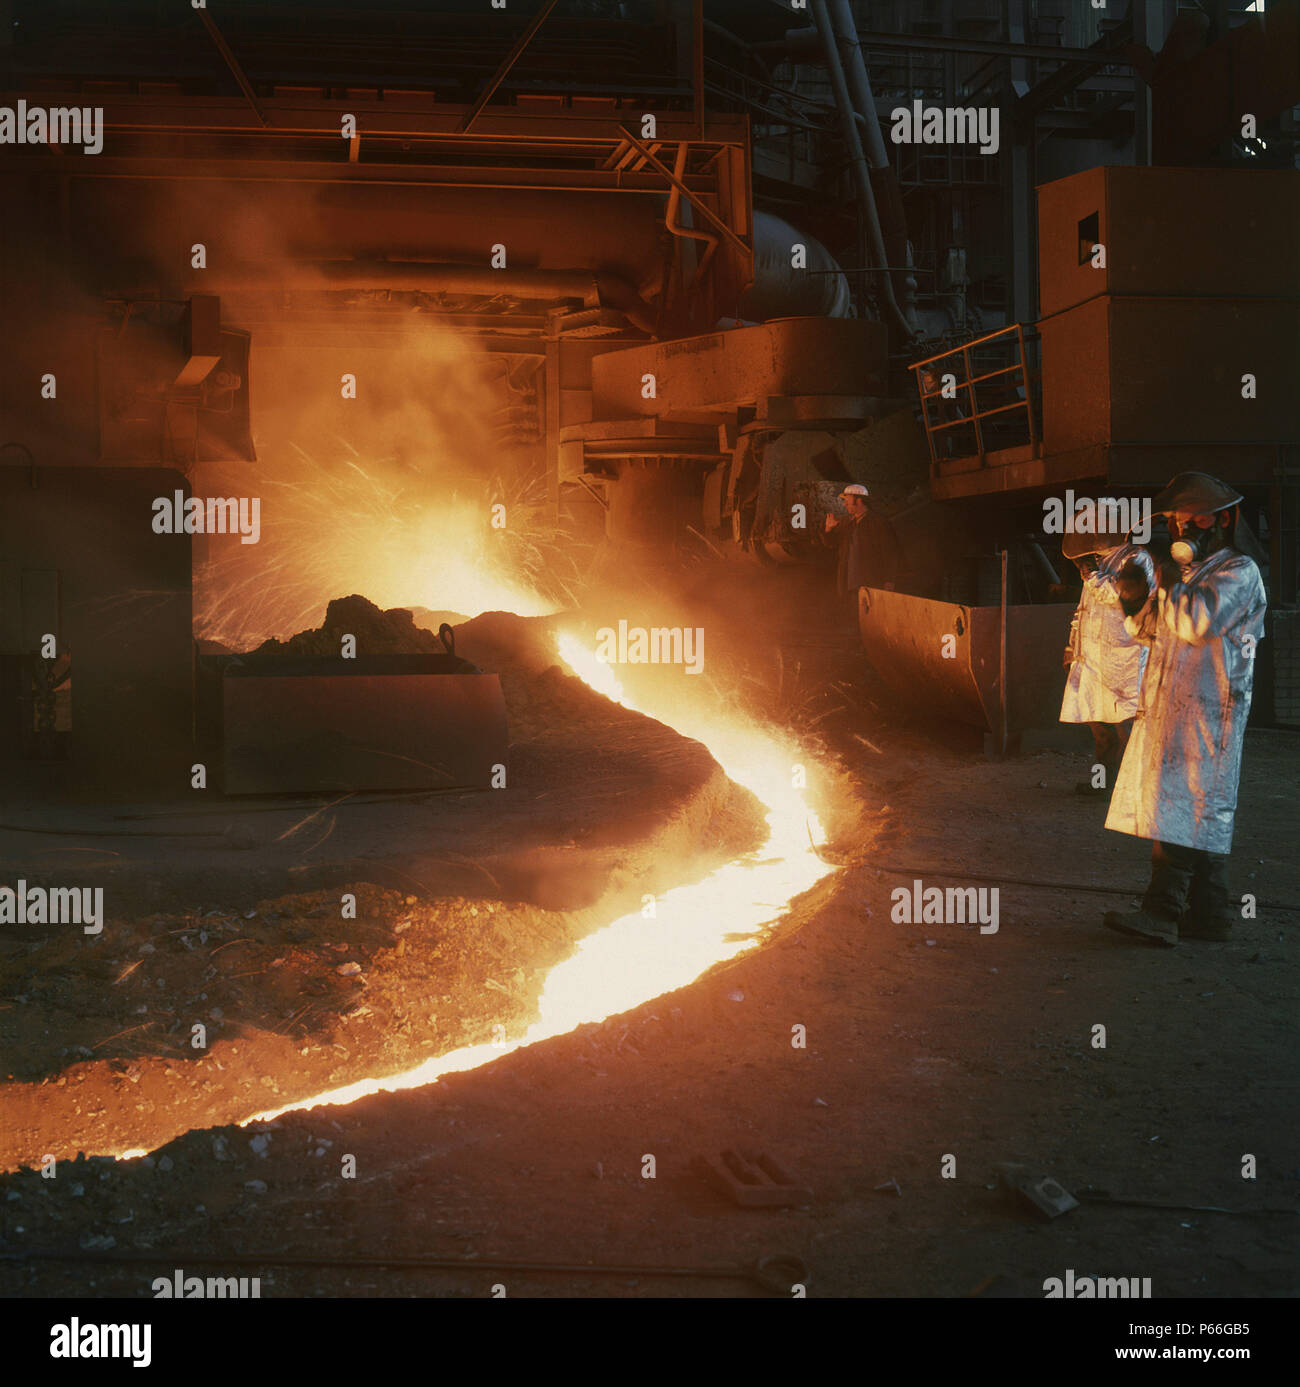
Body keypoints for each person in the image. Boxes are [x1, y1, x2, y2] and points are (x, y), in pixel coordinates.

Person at [1101, 472, 1267, 946]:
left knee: (1185, 806)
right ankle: (1210, 915)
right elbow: (1155, 632)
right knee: (1201, 808)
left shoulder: (1239, 572)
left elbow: (1196, 624)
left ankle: (1162, 910)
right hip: (1176, 710)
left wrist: (1170, 577)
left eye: (1194, 518)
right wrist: (1135, 600)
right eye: (1176, 521)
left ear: (1224, 519)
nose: (1183, 529)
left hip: (1211, 712)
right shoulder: (1193, 574)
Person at [1058, 527, 1149, 797]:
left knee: (1129, 726)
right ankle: (1101, 785)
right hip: (1093, 659)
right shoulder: (1098, 560)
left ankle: (1139, 789)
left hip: (1123, 660)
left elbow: (1122, 596)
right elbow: (1084, 610)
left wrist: (1091, 576)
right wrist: (1071, 645)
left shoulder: (1136, 558)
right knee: (1099, 727)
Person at [822, 483, 901, 618]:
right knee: (853, 620)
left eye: (847, 501)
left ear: (858, 501)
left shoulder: (879, 523)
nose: (845, 504)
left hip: (871, 583)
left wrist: (889, 581)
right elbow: (831, 545)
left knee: (872, 620)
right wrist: (828, 530)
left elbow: (890, 553)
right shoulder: (846, 523)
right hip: (849, 583)